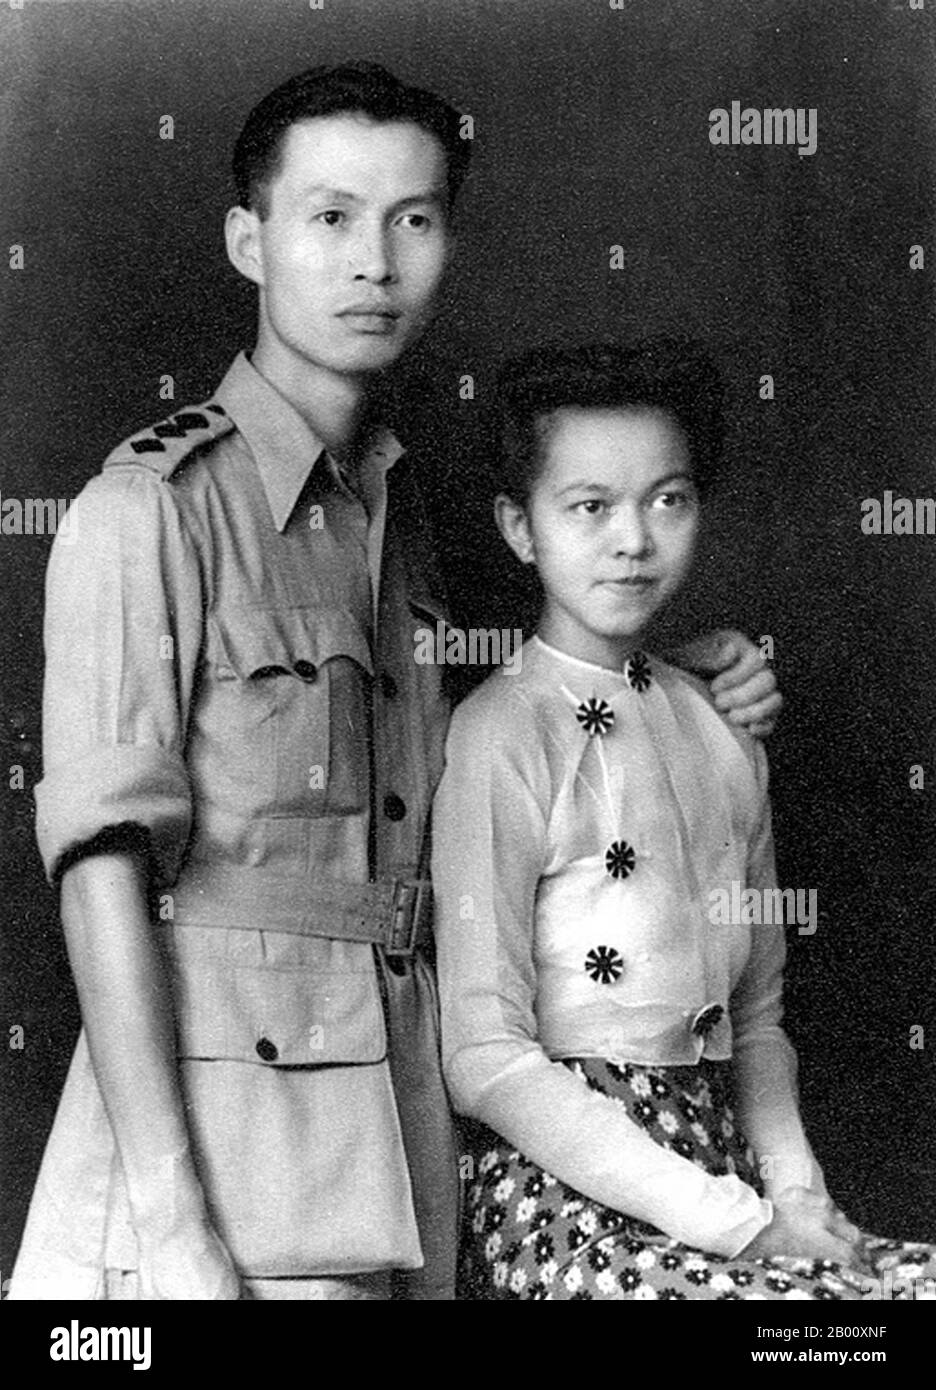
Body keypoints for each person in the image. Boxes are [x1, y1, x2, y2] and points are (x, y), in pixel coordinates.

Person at [10, 67, 781, 1302]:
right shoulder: (146, 510)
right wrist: (171, 1226)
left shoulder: (398, 512)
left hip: (398, 1150)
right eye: (332, 217)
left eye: (413, 220)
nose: (375, 259)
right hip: (207, 1177)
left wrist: (679, 666)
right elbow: (100, 875)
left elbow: (515, 673)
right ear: (248, 241)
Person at [432, 338, 936, 1300]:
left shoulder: (720, 720)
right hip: (562, 1196)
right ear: (519, 526)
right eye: (589, 507)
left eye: (669, 500)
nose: (634, 539)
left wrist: (797, 1198)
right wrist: (742, 1229)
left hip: (728, 1164)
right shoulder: (500, 733)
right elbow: (484, 1058)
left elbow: (757, 1018)